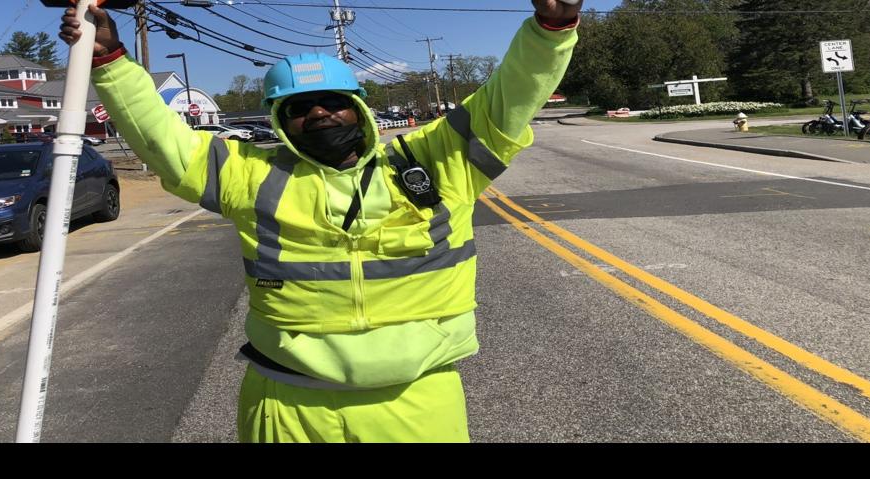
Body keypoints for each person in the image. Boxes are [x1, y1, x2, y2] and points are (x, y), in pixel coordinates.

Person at [59, 0, 582, 442]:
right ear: (279, 121)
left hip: (417, 401)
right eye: (298, 107)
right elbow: (163, 141)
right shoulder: (248, 174)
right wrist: (108, 59)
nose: (319, 114)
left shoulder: (437, 161)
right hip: (289, 407)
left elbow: (507, 99)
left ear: (359, 107)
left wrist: (549, 32)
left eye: (333, 102)